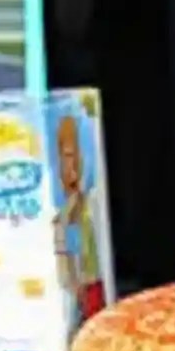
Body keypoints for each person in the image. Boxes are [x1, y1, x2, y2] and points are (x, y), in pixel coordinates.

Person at [54, 113, 105, 321]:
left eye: (78, 158)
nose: (74, 169)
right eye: (67, 158)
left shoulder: (89, 201)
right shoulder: (61, 216)